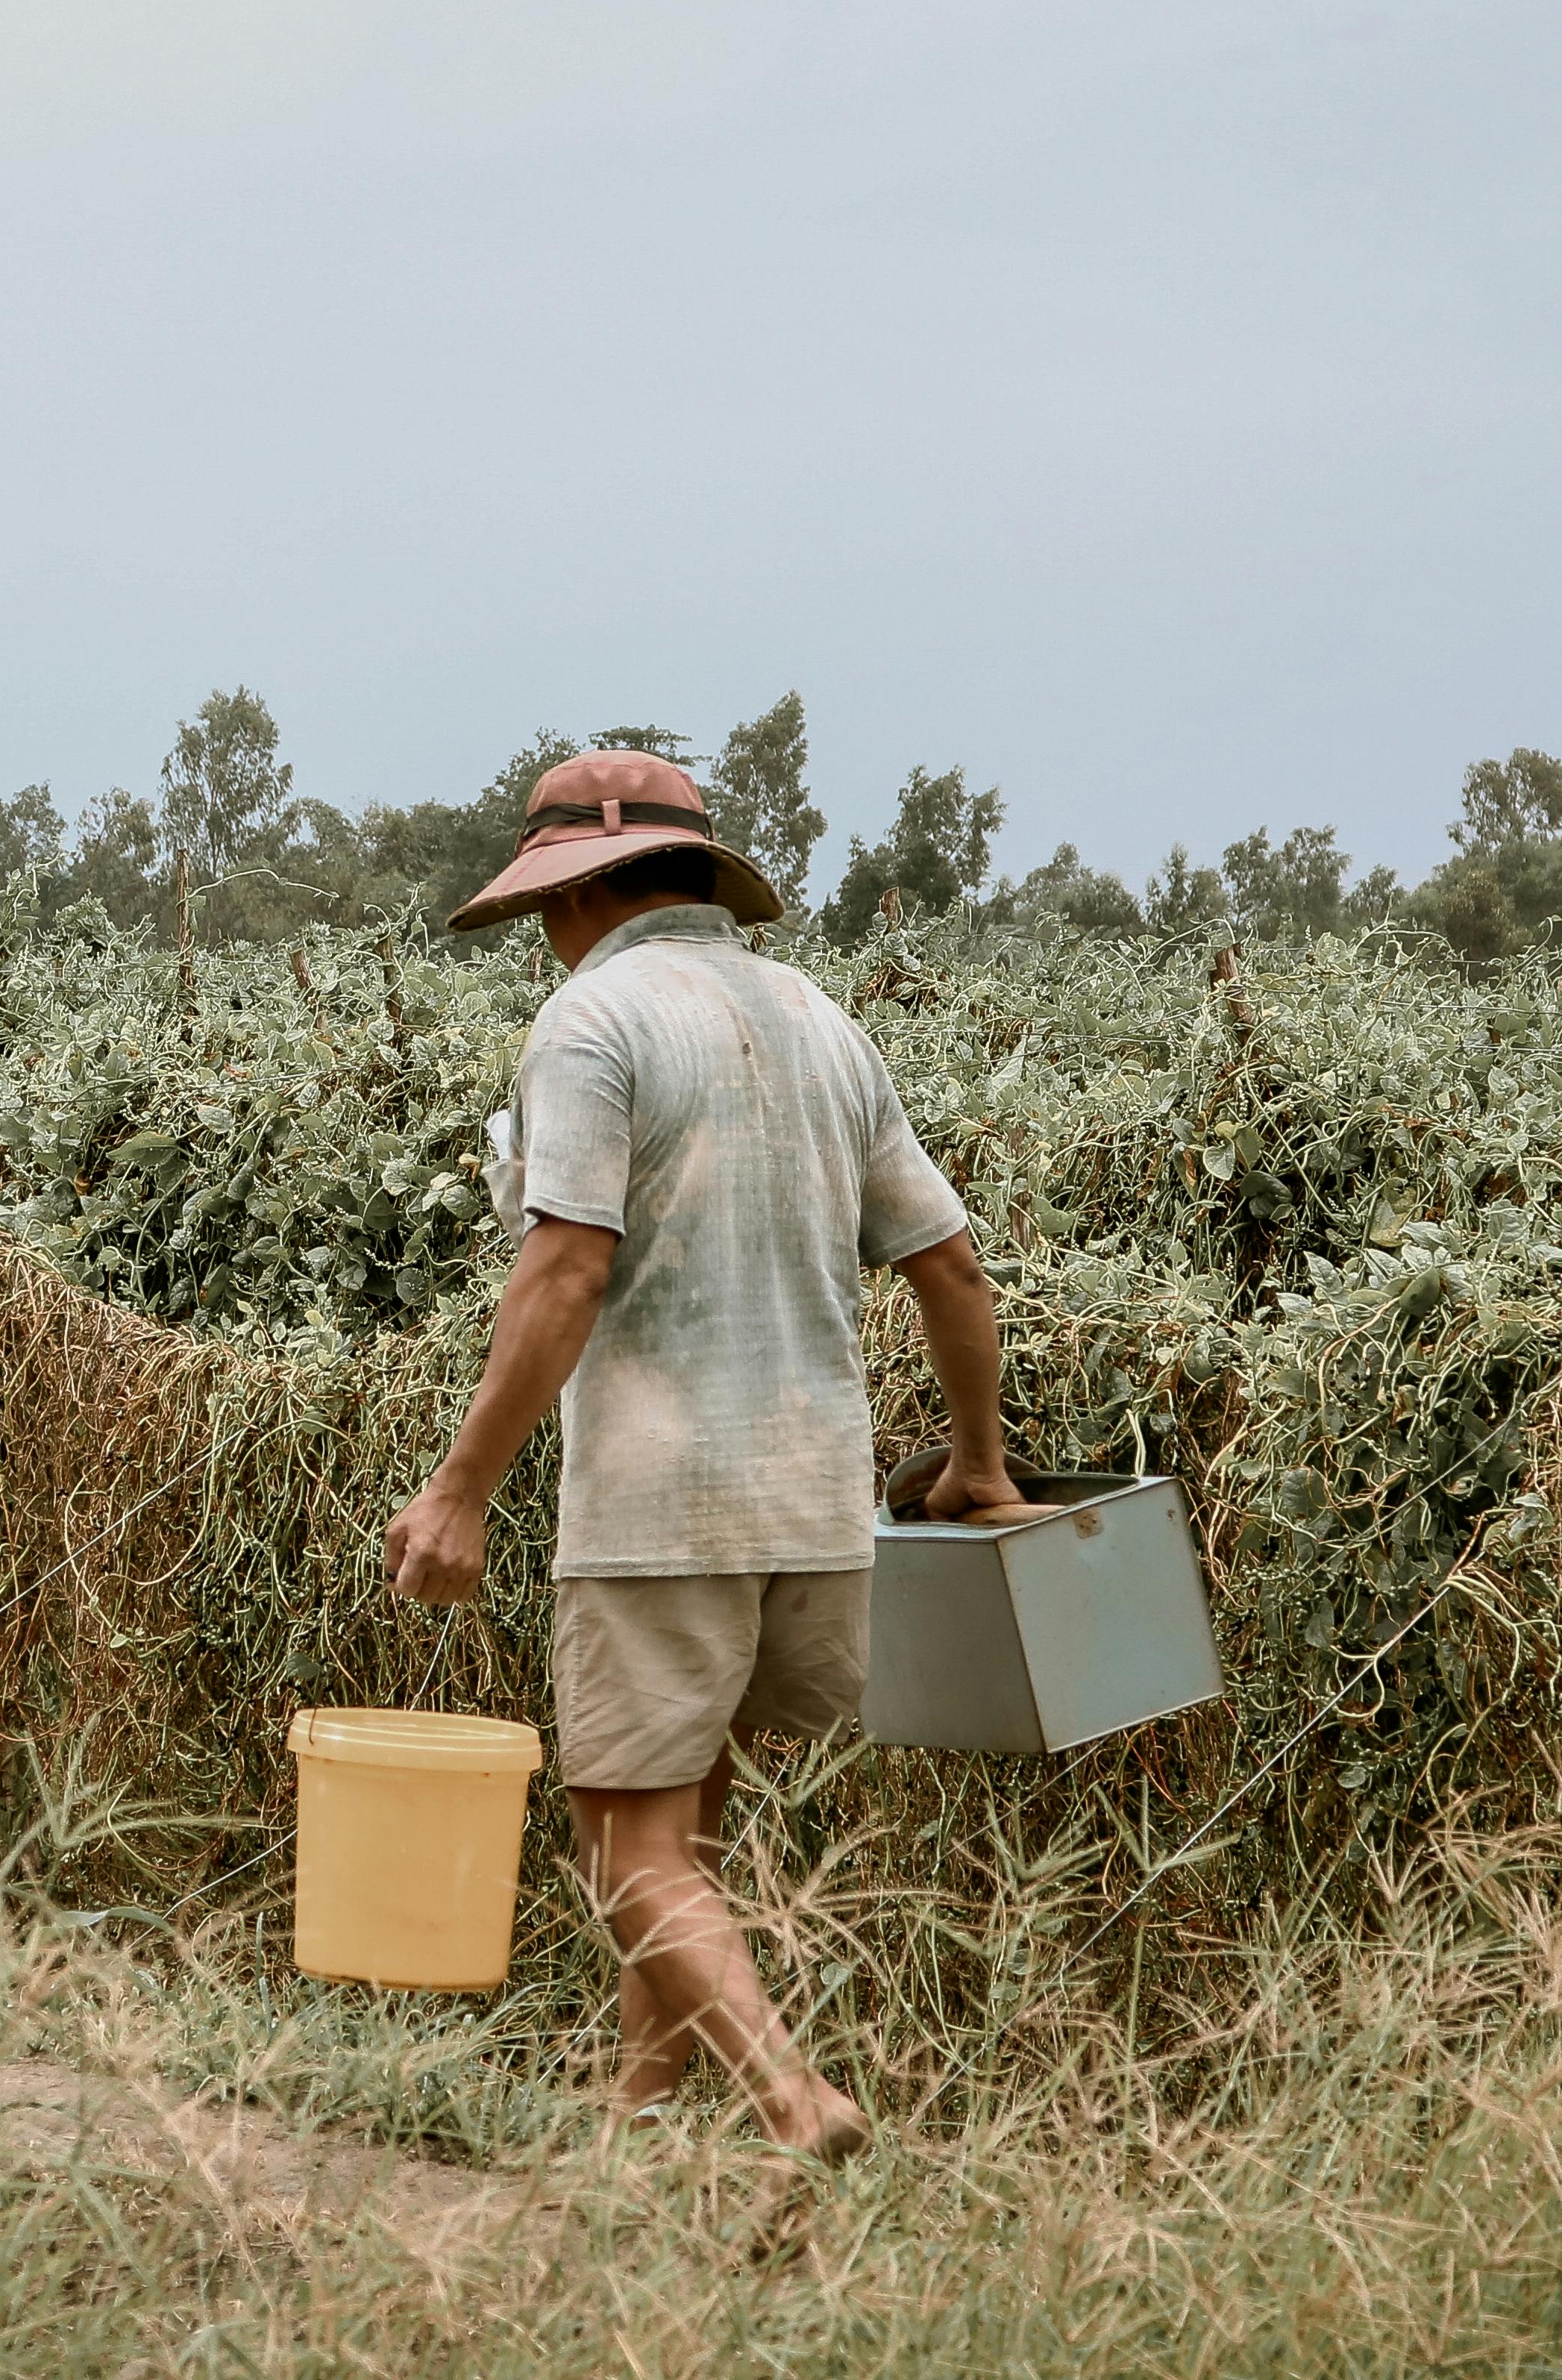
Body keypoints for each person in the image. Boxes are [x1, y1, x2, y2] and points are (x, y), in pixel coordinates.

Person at [381, 748, 1014, 2172]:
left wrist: (461, 1488)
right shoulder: (820, 1021)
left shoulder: (591, 1020)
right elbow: (956, 1272)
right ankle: (638, 2128)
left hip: (662, 1511)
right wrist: (976, 1463)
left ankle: (794, 2105)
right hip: (816, 1516)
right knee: (687, 1831)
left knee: (625, 1848)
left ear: (582, 889)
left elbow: (563, 1271)